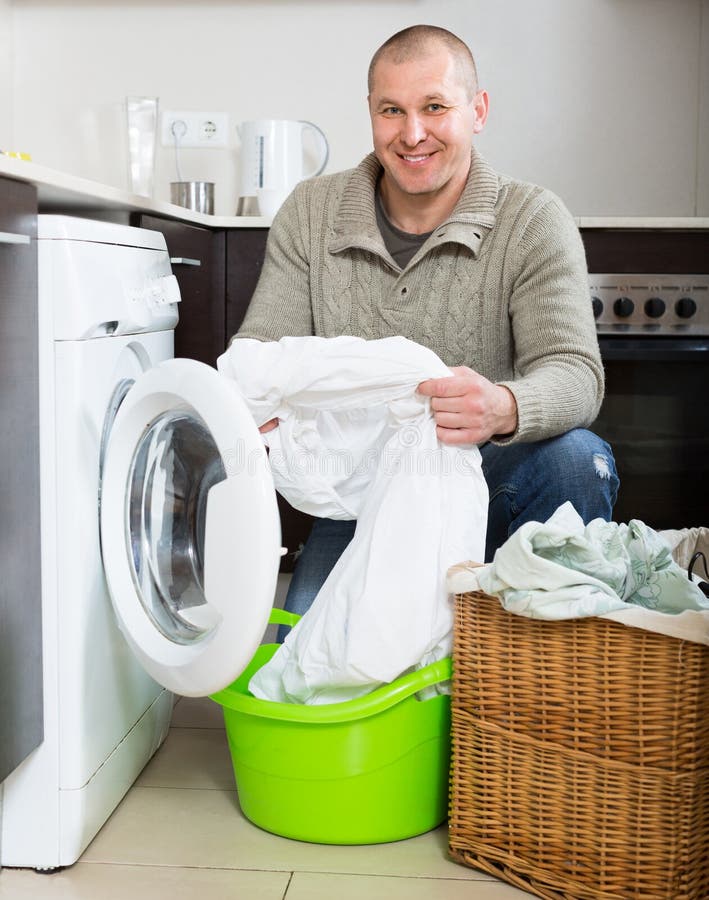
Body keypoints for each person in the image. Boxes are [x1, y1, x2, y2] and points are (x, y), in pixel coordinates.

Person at [235, 24, 619, 622]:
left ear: (478, 109)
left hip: (490, 483)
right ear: (370, 112)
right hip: (361, 502)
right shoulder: (310, 213)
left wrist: (503, 405)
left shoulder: (533, 219)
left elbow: (575, 373)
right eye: (393, 110)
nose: (413, 134)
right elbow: (261, 350)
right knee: (315, 676)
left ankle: (541, 666)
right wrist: (256, 404)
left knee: (576, 457)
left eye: (434, 107)